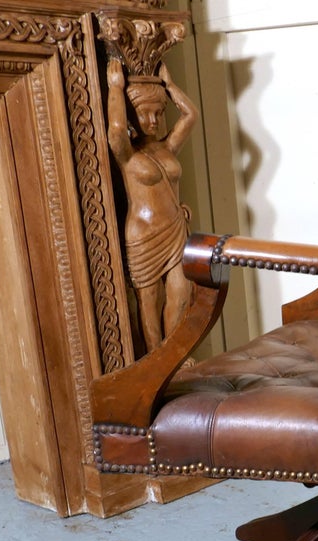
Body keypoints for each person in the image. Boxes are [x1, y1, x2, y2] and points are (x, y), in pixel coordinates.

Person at [107, 58, 198, 352]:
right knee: (149, 302)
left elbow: (190, 115)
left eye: (158, 113)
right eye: (144, 114)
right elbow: (116, 131)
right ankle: (156, 360)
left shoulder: (167, 147)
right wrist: (116, 89)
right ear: (131, 115)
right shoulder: (128, 155)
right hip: (144, 236)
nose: (154, 120)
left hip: (174, 231)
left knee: (181, 294)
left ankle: (173, 355)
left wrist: (170, 85)